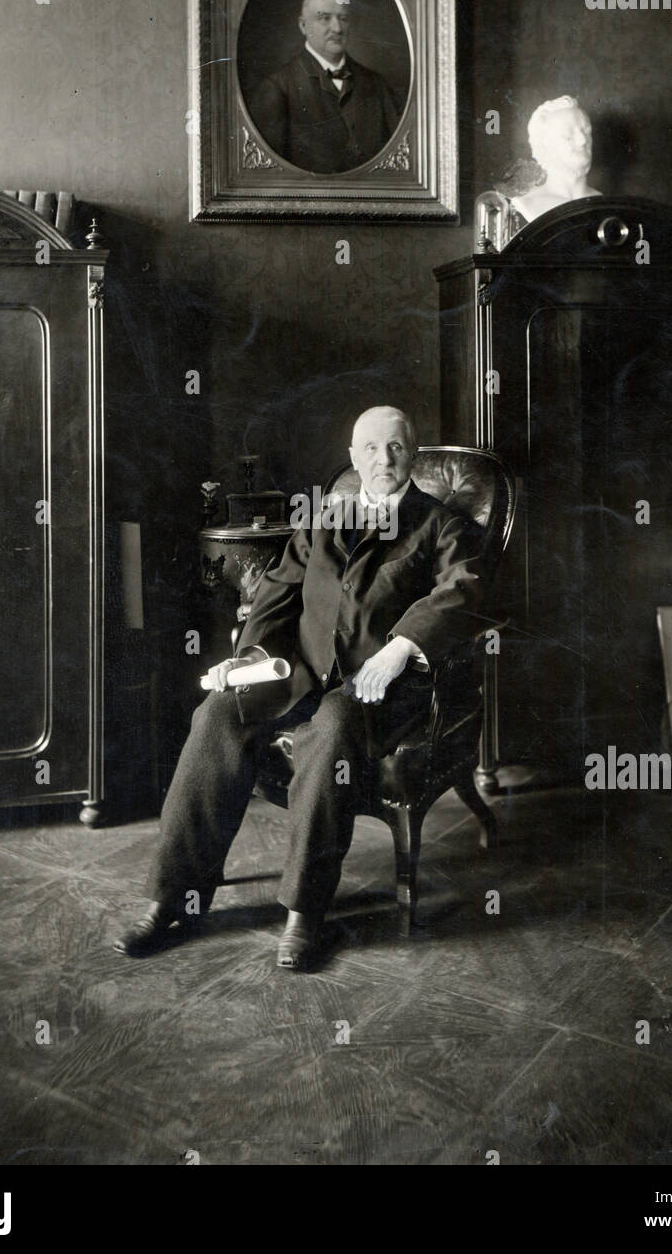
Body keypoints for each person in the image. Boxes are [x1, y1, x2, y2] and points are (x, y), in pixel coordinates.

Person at [114, 407, 488, 971]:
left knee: (334, 725)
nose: (381, 460)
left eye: (395, 448)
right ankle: (172, 898)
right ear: (354, 455)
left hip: (384, 686)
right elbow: (276, 596)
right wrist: (250, 662)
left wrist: (399, 646)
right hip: (304, 674)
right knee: (218, 712)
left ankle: (304, 916)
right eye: (369, 448)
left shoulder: (442, 525)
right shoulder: (322, 519)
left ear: (413, 453)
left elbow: (464, 590)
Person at [246, 0, 403, 174]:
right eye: (324, 18)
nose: (337, 28)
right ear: (303, 25)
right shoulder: (277, 87)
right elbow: (268, 175)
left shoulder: (377, 85)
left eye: (343, 18)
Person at [509, 95, 602, 226]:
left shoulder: (603, 204)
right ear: (544, 146)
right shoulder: (526, 204)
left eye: (586, 131)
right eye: (568, 136)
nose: (583, 140)